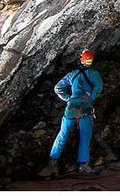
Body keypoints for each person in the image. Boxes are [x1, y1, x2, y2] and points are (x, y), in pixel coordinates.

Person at [42, 48, 103, 176]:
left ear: (81, 59)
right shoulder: (93, 74)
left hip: (71, 106)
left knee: (62, 134)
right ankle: (83, 165)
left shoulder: (73, 74)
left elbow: (57, 88)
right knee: (84, 136)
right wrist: (91, 98)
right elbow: (98, 86)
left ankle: (52, 162)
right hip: (85, 106)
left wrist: (68, 98)